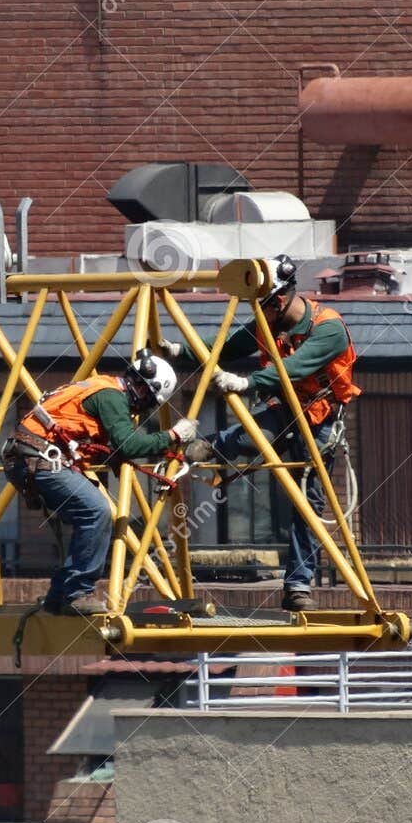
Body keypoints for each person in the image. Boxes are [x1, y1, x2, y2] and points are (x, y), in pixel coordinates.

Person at [160, 256, 360, 611]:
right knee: (251, 437)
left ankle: (297, 586)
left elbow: (293, 369)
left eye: (261, 307)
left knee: (307, 504)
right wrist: (180, 350)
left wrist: (247, 381)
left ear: (278, 301)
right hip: (285, 408)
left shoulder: (328, 329)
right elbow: (226, 345)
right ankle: (207, 449)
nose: (258, 316)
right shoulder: (269, 324)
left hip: (318, 418)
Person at [2, 349, 199, 615]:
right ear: (140, 386)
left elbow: (101, 442)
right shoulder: (111, 396)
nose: (139, 405)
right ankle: (76, 594)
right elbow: (130, 444)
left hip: (32, 457)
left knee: (91, 514)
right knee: (96, 512)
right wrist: (174, 434)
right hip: (40, 458)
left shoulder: (102, 389)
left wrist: (116, 456)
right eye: (145, 398)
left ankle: (59, 597)